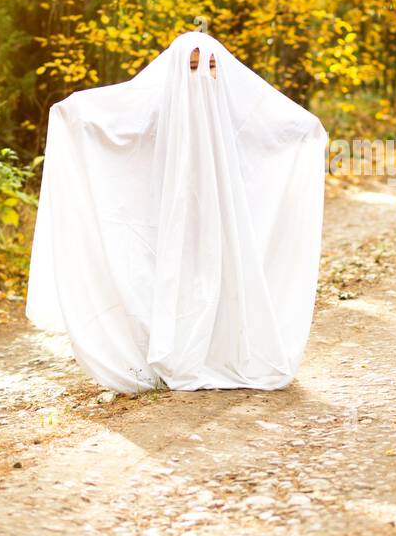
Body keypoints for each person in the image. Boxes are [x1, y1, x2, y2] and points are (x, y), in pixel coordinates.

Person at [25, 31, 328, 392]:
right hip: (169, 218)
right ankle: (175, 349)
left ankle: (219, 351)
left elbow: (269, 131)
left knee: (222, 273)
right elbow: (119, 126)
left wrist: (304, 130)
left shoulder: (232, 109)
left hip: (222, 219)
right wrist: (72, 116)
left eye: (211, 68)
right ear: (176, 71)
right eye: (194, 68)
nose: (202, 78)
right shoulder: (159, 108)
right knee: (174, 276)